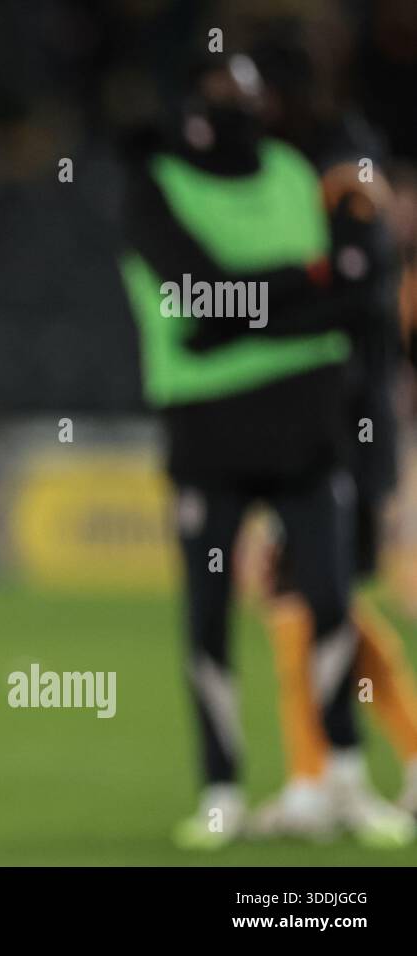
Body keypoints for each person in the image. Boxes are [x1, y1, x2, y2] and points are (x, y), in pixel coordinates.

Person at [118, 52, 412, 848]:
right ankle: (221, 790)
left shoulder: (288, 171)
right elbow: (194, 290)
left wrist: (233, 317)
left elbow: (343, 293)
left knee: (327, 600)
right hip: (207, 429)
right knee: (209, 615)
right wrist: (298, 290)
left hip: (306, 424)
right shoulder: (156, 187)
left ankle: (344, 779)